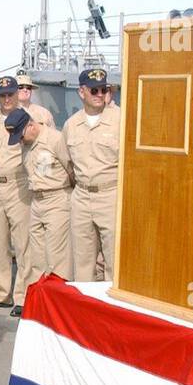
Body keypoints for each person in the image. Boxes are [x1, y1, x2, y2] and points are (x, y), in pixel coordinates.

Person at [0, 76, 34, 315]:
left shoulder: (29, 119)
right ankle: (1, 292)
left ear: (17, 93)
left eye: (11, 93)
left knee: (23, 243)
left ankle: (23, 295)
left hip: (19, 184)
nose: (7, 98)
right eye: (2, 95)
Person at [63, 67, 120, 282]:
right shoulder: (72, 124)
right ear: (82, 92)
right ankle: (84, 311)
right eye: (94, 90)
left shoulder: (120, 119)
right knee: (83, 261)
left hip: (110, 195)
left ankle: (112, 312)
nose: (99, 95)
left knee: (113, 261)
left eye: (103, 90)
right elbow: (68, 163)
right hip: (82, 197)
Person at [10, 107, 74, 293]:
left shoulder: (55, 139)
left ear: (30, 125)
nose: (19, 142)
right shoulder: (26, 144)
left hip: (57, 199)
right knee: (37, 258)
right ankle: (41, 301)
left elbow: (71, 170)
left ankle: (59, 301)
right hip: (36, 202)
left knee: (57, 260)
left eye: (20, 137)